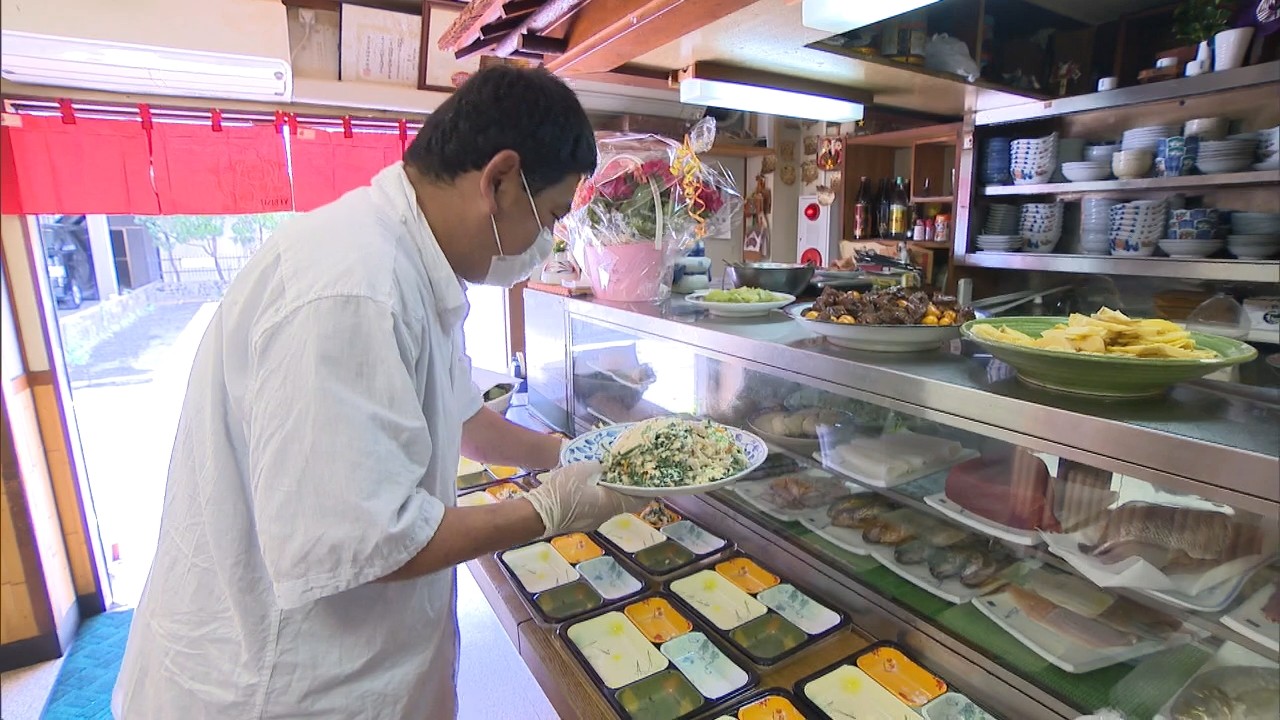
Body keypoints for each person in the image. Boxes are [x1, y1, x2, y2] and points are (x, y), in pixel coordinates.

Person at [113, 66, 645, 719]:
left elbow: (463, 417)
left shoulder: (410, 259)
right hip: (274, 685)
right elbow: (365, 540)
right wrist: (547, 510)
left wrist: (561, 454)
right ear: (500, 179)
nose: (548, 241)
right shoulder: (353, 284)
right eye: (553, 215)